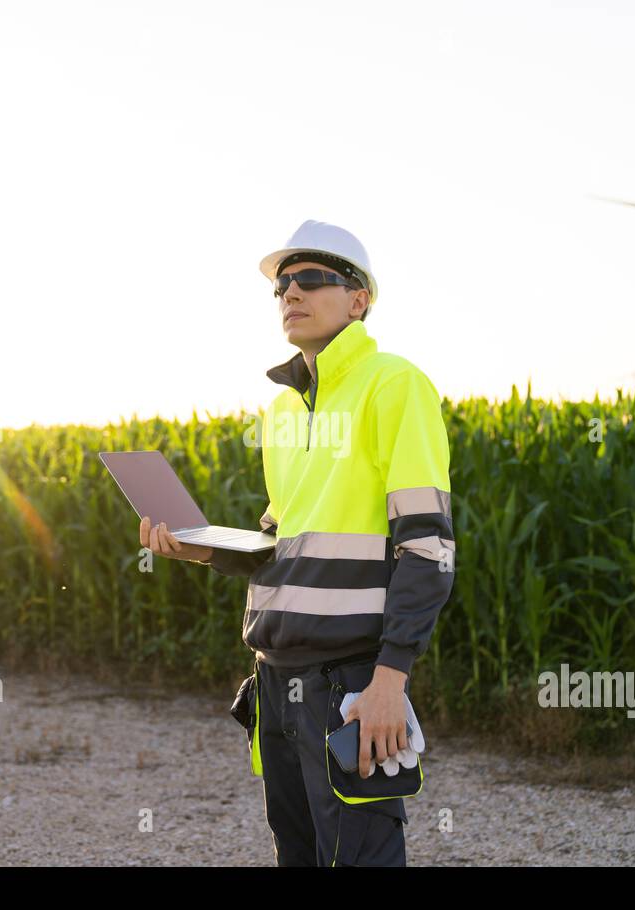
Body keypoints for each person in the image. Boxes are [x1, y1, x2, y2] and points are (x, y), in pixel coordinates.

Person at [139, 220, 455, 866]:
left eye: (311, 278)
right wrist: (197, 545)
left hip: (349, 682)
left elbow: (428, 547)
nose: (291, 292)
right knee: (298, 856)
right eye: (282, 284)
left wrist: (390, 679)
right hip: (275, 681)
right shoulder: (281, 412)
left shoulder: (395, 386)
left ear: (359, 298)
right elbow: (277, 541)